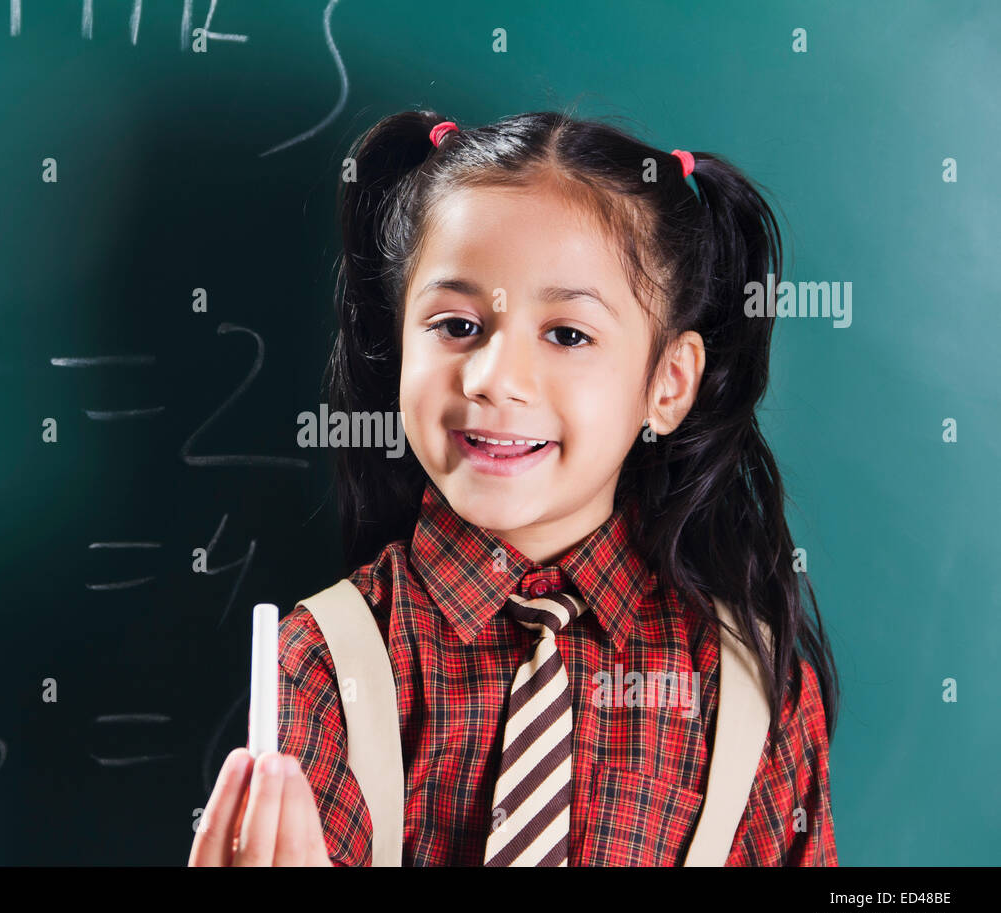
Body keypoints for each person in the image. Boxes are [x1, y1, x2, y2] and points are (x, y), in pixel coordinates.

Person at [188, 108, 839, 867]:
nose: (494, 379)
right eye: (456, 325)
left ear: (668, 382)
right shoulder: (326, 665)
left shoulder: (747, 682)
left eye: (567, 334)